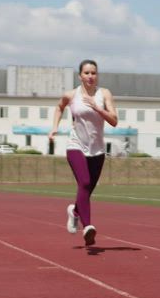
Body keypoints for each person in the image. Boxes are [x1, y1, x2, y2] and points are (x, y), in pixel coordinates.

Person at [49, 59, 118, 247]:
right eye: (86, 73)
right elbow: (59, 107)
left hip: (97, 150)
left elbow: (114, 120)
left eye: (93, 73)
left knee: (87, 191)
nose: (90, 76)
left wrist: (97, 107)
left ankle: (75, 212)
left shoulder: (104, 94)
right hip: (76, 145)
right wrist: (54, 127)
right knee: (85, 183)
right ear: (80, 76)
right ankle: (88, 227)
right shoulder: (71, 95)